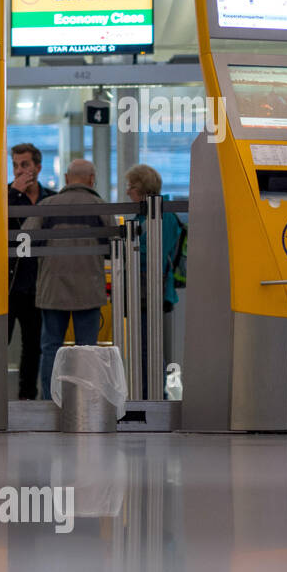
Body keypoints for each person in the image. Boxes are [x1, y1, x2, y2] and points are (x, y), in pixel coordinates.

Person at [21, 159, 108, 400]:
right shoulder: (101, 207)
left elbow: (25, 241)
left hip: (52, 289)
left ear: (67, 179)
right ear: (92, 180)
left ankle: (50, 400)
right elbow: (115, 246)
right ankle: (87, 399)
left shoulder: (47, 205)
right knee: (87, 349)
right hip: (89, 290)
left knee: (51, 348)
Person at [125, 164, 183, 398]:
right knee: (148, 347)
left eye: (130, 187)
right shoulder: (156, 214)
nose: (127, 192)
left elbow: (151, 255)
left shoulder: (157, 216)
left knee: (147, 348)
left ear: (139, 189)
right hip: (153, 290)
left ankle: (152, 397)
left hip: (149, 291)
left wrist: (125, 249)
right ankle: (150, 394)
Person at [7, 143, 54, 399]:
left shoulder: (51, 198)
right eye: (15, 165)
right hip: (9, 283)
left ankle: (27, 395)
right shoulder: (5, 195)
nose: (19, 171)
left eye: (24, 165)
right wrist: (14, 194)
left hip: (40, 283)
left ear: (38, 166)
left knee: (34, 345)